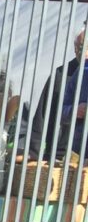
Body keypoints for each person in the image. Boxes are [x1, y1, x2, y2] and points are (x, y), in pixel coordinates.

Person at [34, 31, 88, 160]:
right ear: (75, 48)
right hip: (61, 151)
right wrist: (34, 151)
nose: (84, 52)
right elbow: (44, 113)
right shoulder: (61, 74)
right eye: (81, 47)